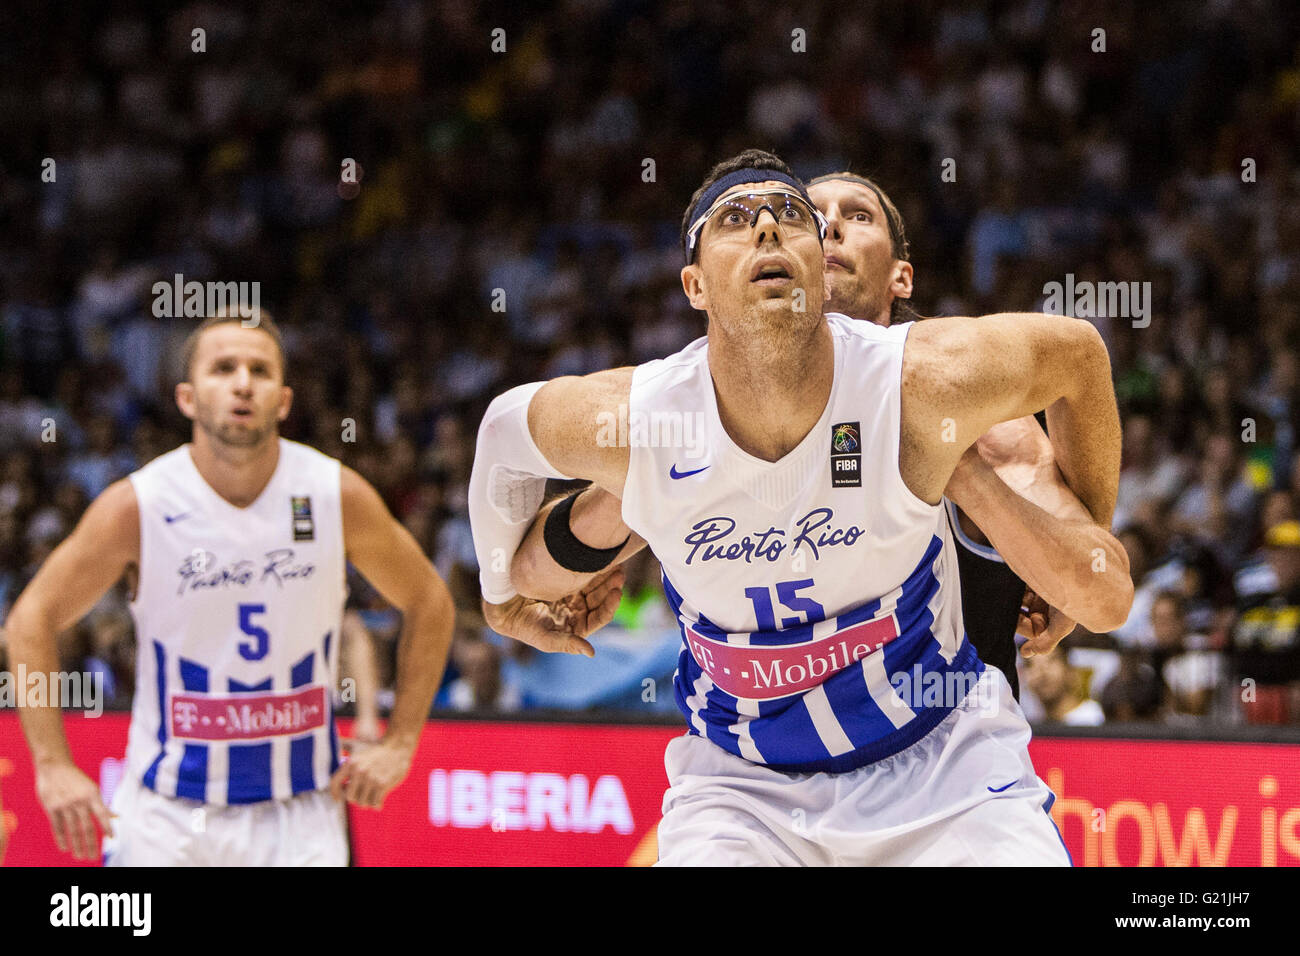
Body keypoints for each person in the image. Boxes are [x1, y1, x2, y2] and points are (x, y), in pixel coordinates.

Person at [469, 149, 1129, 864]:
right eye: (746, 218)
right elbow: (520, 489)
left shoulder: (944, 397)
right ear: (693, 284)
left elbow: (1081, 372)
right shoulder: (656, 425)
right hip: (747, 784)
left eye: (800, 217)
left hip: (940, 762)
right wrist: (510, 584)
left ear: (883, 274)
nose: (776, 230)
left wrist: (1067, 547)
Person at [506, 171, 1134, 701]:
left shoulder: (968, 415)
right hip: (764, 776)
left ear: (901, 278)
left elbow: (1104, 594)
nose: (828, 225)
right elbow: (538, 568)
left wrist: (962, 473)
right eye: (810, 213)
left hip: (946, 771)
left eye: (857, 216)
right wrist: (545, 582)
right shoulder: (705, 418)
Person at [5, 311, 454, 865]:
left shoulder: (335, 495)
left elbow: (430, 601)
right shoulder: (137, 505)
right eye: (223, 368)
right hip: (165, 817)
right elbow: (30, 619)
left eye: (260, 370)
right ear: (187, 398)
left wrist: (402, 743)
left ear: (284, 400)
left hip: (301, 814)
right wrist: (51, 764)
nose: (243, 382)